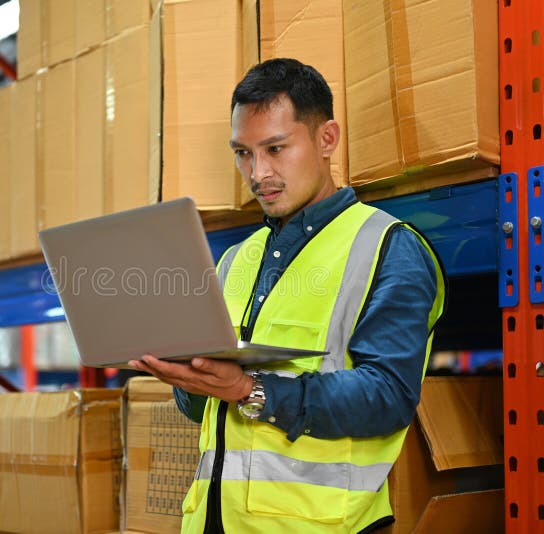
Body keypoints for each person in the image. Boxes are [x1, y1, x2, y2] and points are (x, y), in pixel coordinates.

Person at [129, 58, 446, 534]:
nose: (258, 173)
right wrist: (184, 374)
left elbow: (388, 396)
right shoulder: (234, 260)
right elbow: (201, 409)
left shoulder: (387, 247)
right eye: (242, 153)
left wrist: (248, 389)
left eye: (275, 148)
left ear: (327, 139)